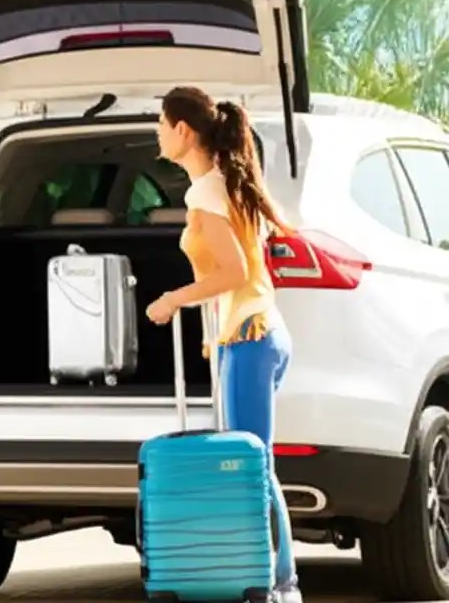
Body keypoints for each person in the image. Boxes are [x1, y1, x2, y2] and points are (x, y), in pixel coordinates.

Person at [144, 86, 301, 603]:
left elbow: (233, 272)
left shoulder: (206, 193)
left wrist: (173, 299)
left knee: (255, 467)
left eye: (162, 125)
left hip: (251, 338)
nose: (158, 134)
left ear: (183, 131)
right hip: (256, 334)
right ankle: (271, 579)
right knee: (257, 463)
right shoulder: (224, 184)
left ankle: (282, 585)